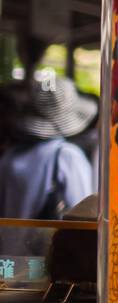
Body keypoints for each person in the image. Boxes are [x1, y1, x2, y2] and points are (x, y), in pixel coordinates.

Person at [0, 76, 97, 220]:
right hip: (47, 242)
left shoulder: (11, 156)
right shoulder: (66, 156)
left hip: (8, 242)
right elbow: (85, 217)